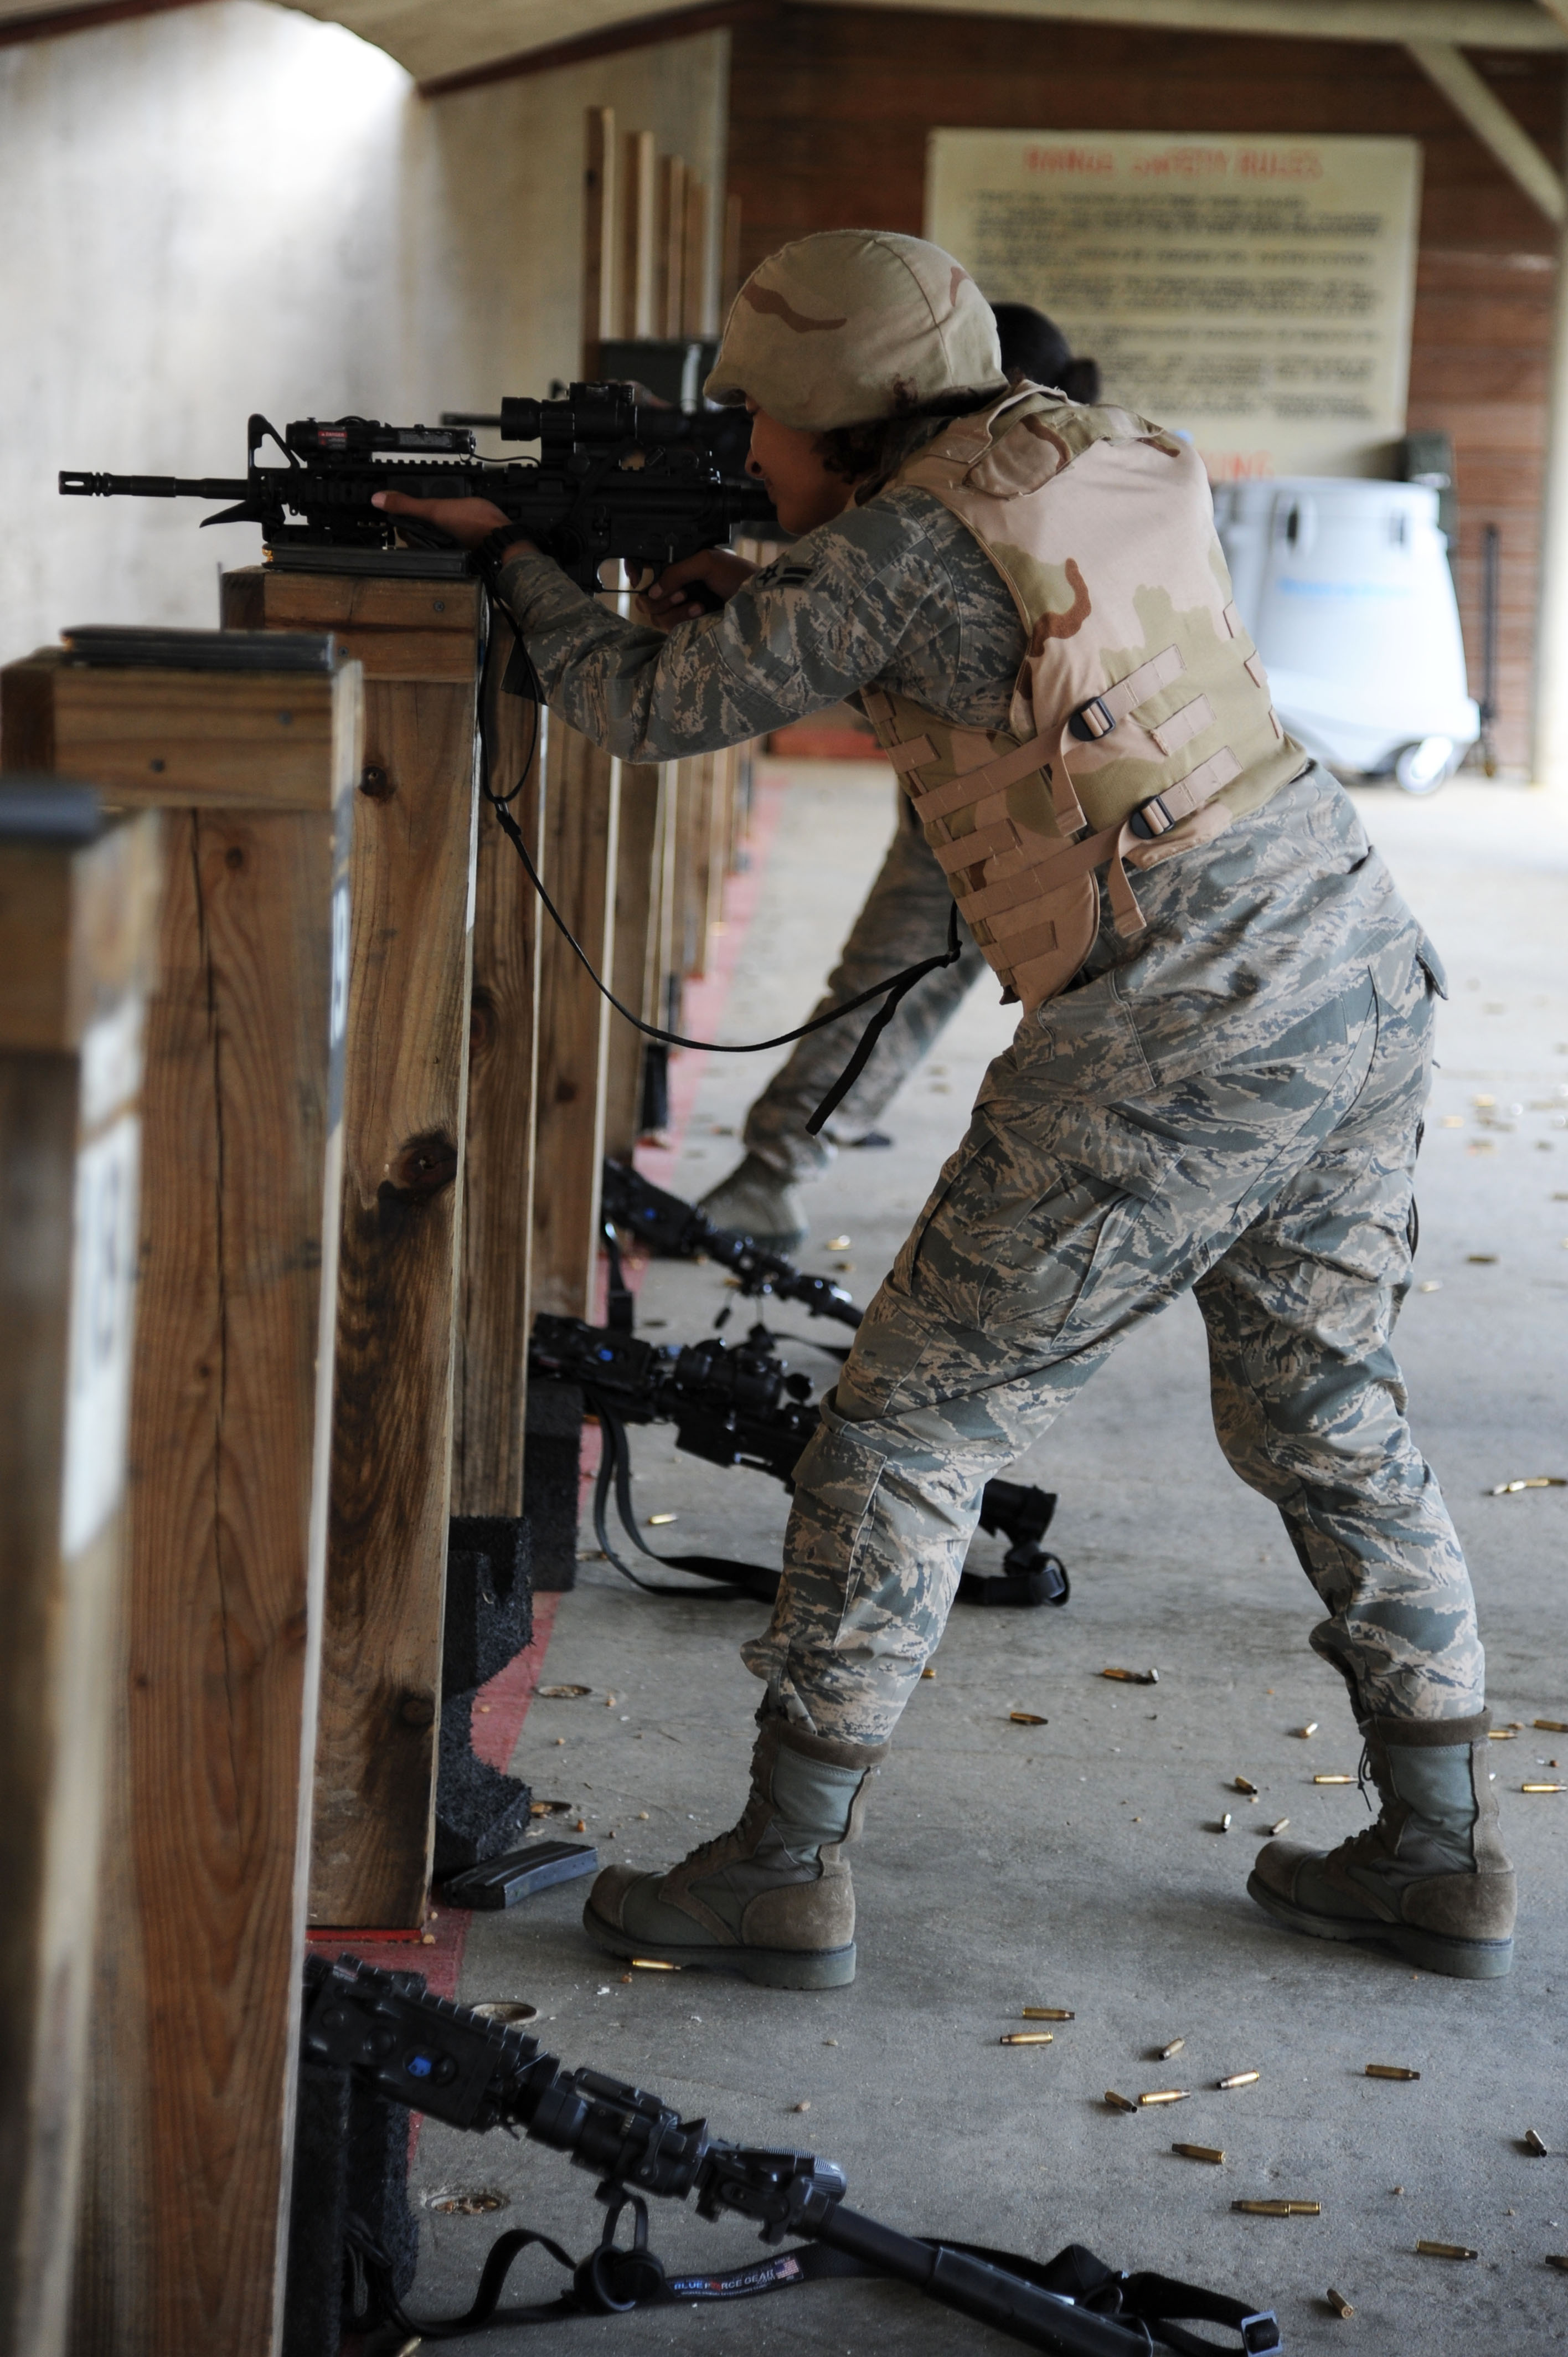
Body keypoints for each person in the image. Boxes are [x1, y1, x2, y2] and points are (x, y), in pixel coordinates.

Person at [375, 229, 1514, 1990]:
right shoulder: (1068, 447)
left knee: (907, 1432)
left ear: (842, 409)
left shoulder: (896, 541)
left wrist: (514, 560)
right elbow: (981, 619)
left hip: (1178, 1028)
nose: (742, 443)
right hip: (1348, 969)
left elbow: (641, 707)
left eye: (757, 414)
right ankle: (1439, 1852)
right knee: (1327, 1411)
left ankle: (783, 1860)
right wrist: (758, 579)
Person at [695, 302, 1102, 1254]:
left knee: (897, 973)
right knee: (905, 977)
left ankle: (777, 1167)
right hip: (1047, 787)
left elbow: (869, 608)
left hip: (1011, 799)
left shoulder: (965, 481)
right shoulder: (1070, 466)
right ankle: (793, 1149)